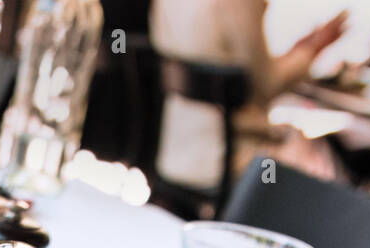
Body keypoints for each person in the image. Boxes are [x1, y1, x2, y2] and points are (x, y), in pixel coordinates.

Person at [149, 0, 347, 192]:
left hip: (175, 154)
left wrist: (299, 51)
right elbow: (266, 86)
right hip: (231, 160)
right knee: (322, 159)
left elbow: (226, 66)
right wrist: (314, 48)